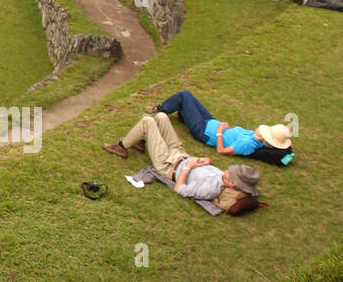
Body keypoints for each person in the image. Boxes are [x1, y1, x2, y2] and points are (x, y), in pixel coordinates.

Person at [103, 113, 262, 213]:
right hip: (181, 154)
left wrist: (188, 168)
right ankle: (140, 138)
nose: (228, 171)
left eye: (230, 174)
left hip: (169, 165)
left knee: (147, 121)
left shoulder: (210, 189)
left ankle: (121, 147)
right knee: (161, 117)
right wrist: (206, 161)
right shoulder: (224, 179)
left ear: (232, 183)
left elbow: (180, 189)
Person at [149, 90, 293, 166]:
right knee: (188, 98)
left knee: (184, 96)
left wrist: (219, 132)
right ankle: (182, 114)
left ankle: (159, 111)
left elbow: (222, 151)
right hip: (210, 122)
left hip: (203, 131)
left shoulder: (248, 144)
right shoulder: (254, 137)